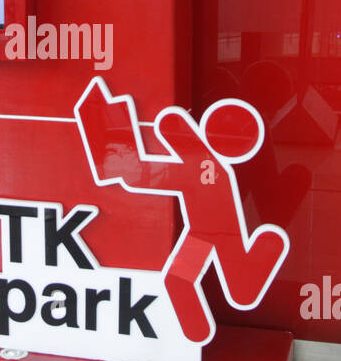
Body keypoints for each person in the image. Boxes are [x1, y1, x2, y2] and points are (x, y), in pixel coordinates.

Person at [74, 78, 290, 344]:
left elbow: (149, 174)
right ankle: (191, 338)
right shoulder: (204, 162)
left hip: (218, 235)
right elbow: (157, 167)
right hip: (203, 234)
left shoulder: (202, 165)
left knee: (230, 290)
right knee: (191, 284)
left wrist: (124, 161)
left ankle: (266, 250)